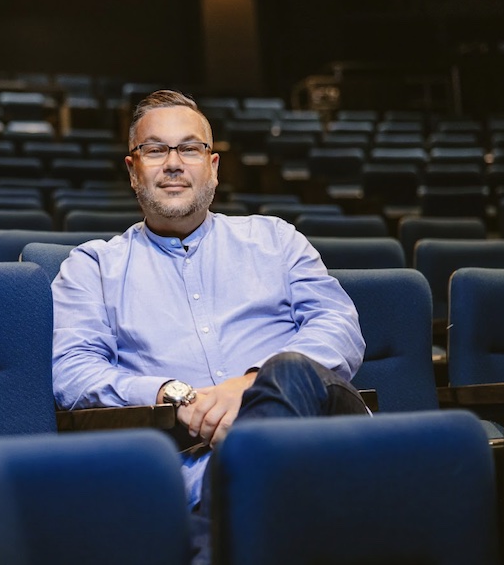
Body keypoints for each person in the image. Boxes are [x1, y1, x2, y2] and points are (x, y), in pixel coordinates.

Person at [50, 89, 367, 561]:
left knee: (292, 372)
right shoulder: (91, 267)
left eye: (190, 148)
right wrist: (181, 397)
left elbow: (338, 324)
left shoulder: (276, 240)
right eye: (155, 149)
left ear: (214, 166)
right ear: (133, 169)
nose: (173, 162)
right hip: (189, 473)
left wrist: (253, 386)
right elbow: (74, 374)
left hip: (311, 447)